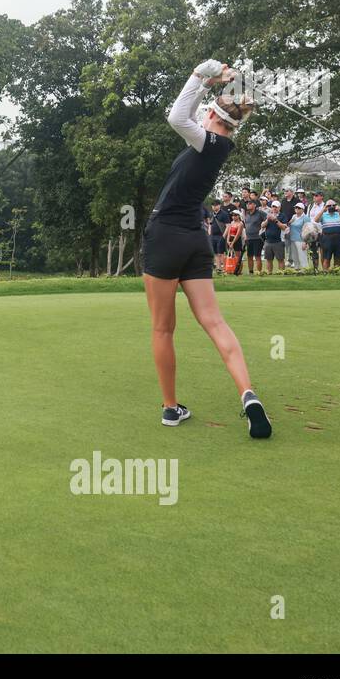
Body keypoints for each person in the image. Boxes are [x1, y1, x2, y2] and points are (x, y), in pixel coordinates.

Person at [141, 58, 272, 438]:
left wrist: (202, 73)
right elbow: (189, 113)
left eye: (208, 112)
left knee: (163, 329)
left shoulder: (207, 142)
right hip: (195, 241)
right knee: (214, 322)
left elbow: (178, 117)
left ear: (214, 117)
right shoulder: (217, 143)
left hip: (165, 236)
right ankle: (248, 395)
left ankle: (170, 408)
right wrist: (217, 79)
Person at [317, 199, 340, 269]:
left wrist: (339, 211)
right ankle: (326, 273)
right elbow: (316, 220)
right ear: (326, 206)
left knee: (338, 258)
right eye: (329, 205)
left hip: (338, 238)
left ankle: (336, 273)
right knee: (326, 258)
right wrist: (323, 210)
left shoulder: (339, 214)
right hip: (327, 238)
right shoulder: (323, 215)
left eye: (333, 205)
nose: (331, 207)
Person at [262, 200, 289, 273]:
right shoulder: (268, 215)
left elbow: (284, 227)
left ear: (279, 208)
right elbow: (262, 226)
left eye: (276, 207)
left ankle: (281, 273)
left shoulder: (282, 216)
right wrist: (268, 219)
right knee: (268, 259)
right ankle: (269, 273)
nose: (274, 208)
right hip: (268, 241)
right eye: (273, 207)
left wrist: (276, 220)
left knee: (280, 259)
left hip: (278, 241)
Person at [242, 198, 265, 274]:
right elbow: (245, 225)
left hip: (257, 238)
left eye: (250, 203)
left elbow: (267, 219)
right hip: (248, 238)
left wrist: (263, 230)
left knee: (257, 256)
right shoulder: (247, 214)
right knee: (249, 256)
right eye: (247, 204)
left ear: (255, 205)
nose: (248, 205)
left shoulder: (260, 213)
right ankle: (251, 272)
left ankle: (259, 272)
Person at [287, 202, 312, 270]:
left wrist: (305, 242)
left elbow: (308, 230)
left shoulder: (306, 218)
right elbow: (289, 225)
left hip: (301, 240)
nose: (297, 209)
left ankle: (306, 269)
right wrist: (290, 222)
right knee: (295, 256)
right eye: (296, 207)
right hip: (292, 239)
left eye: (299, 208)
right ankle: (297, 269)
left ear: (302, 209)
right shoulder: (294, 216)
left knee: (302, 256)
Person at [206, 199, 226, 270]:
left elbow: (228, 225)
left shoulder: (224, 214)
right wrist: (209, 233)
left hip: (221, 235)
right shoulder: (211, 214)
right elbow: (210, 224)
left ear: (219, 205)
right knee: (215, 253)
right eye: (213, 205)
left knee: (221, 253)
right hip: (213, 236)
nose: (214, 207)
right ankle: (218, 268)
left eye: (216, 205)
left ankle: (224, 268)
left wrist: (224, 236)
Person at [224, 209, 245, 274]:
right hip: (230, 239)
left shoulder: (241, 224)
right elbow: (229, 232)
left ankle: (239, 271)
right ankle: (231, 269)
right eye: (232, 215)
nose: (233, 217)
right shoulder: (232, 222)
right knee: (230, 255)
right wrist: (228, 241)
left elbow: (238, 235)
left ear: (239, 216)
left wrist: (233, 243)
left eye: (235, 215)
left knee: (238, 257)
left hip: (237, 240)